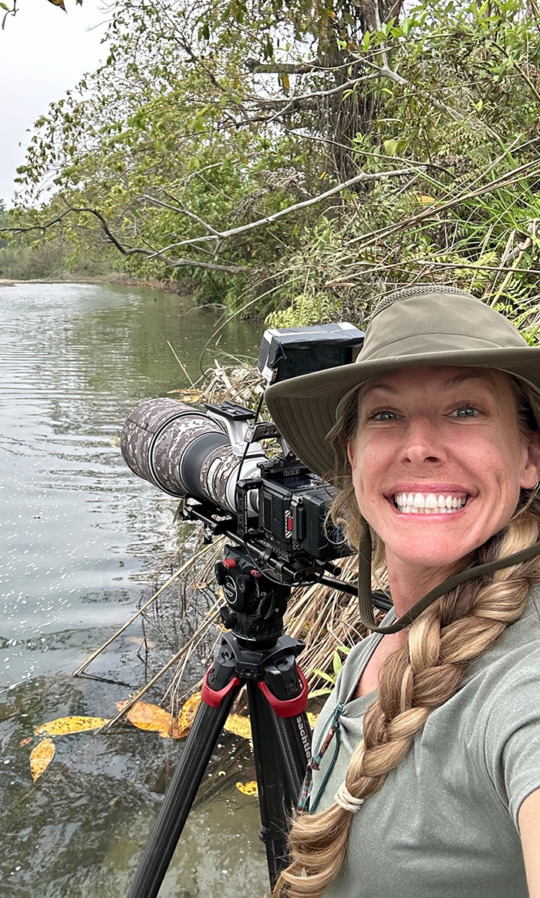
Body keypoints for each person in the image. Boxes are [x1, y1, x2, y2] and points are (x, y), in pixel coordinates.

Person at [264, 285, 540, 898]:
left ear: (529, 456)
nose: (419, 446)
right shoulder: (379, 643)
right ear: (353, 455)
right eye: (385, 415)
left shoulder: (523, 684)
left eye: (465, 409)